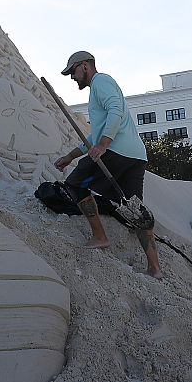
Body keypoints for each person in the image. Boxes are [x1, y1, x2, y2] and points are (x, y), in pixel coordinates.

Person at [53, 51, 163, 278]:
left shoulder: (100, 81)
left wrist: (103, 145)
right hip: (135, 155)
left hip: (116, 150)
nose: (72, 77)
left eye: (73, 71)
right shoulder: (100, 88)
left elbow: (116, 112)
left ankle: (100, 237)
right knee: (135, 209)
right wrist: (71, 156)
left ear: (85, 66)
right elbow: (93, 137)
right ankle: (155, 268)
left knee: (75, 183)